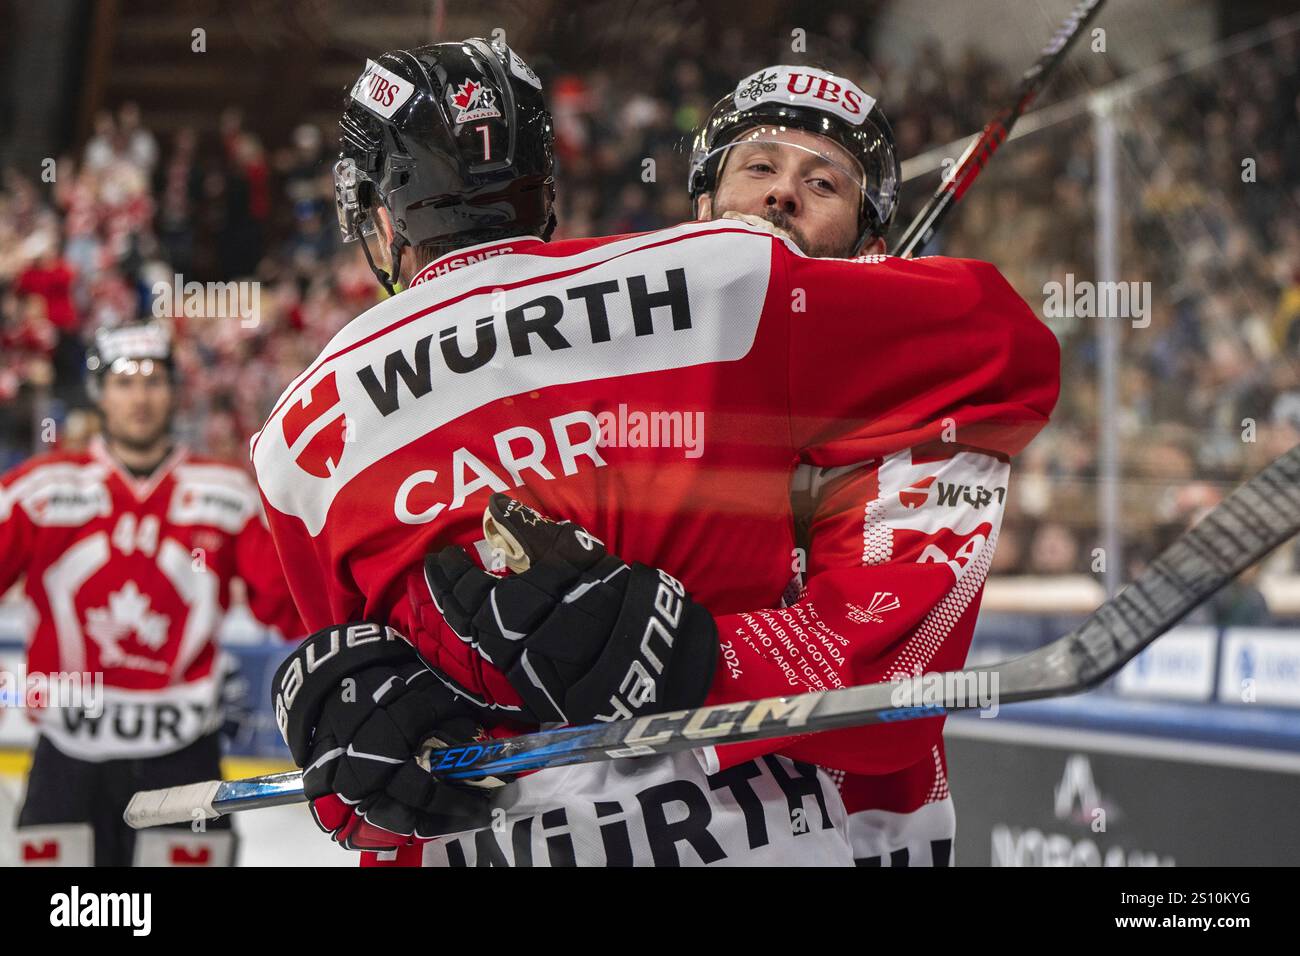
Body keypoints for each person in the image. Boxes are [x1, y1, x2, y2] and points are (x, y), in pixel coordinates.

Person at [255, 43, 1059, 866]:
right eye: (758, 165)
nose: (784, 190)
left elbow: (898, 695)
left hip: (829, 832)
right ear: (702, 199)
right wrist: (354, 733)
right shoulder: (711, 289)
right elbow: (378, 706)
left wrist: (695, 662)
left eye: (825, 182)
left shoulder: (300, 430)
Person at [0, 321, 304, 866]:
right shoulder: (41, 490)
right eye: (124, 381)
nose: (140, 396)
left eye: (154, 380)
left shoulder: (227, 494)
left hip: (182, 755)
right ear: (100, 394)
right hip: (68, 758)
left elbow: (292, 606)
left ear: (174, 391)